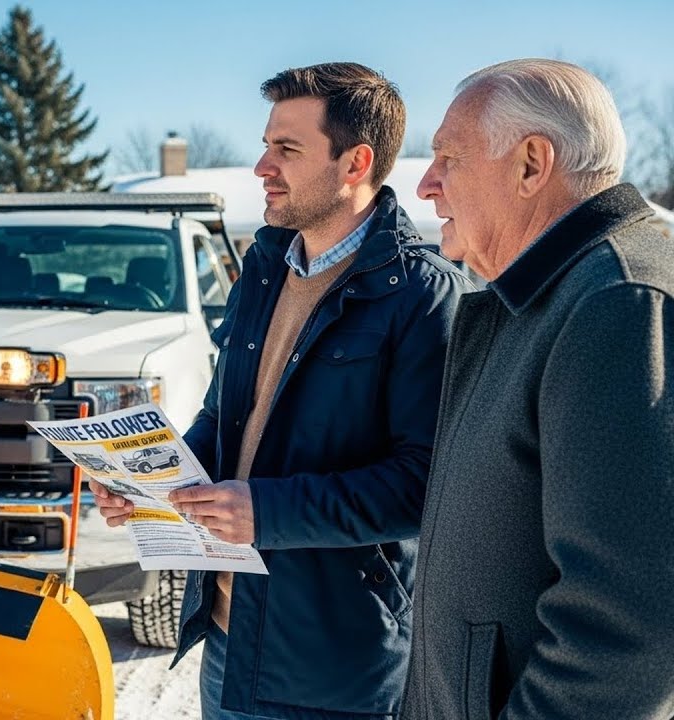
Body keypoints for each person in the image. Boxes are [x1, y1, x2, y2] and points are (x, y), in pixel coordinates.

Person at [91, 63, 472, 719]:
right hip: (228, 645)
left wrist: (267, 512)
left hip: (335, 674)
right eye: (268, 145)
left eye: (286, 149)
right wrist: (149, 485)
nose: (262, 167)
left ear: (355, 163)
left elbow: (425, 484)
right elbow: (225, 422)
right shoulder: (263, 273)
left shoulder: (423, 297)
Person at [401, 59, 674, 720]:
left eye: (448, 158)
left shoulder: (617, 302)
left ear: (531, 164)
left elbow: (627, 638)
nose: (426, 182)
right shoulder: (539, 298)